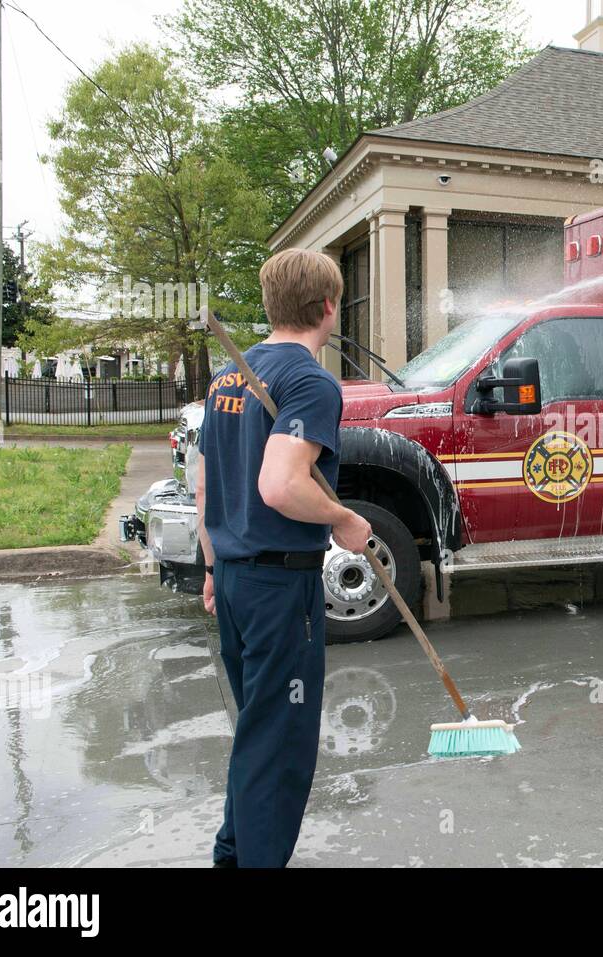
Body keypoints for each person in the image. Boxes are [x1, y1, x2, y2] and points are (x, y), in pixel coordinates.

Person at [195, 248, 372, 866]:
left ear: (271, 304)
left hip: (239, 582)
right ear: (329, 307)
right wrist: (345, 518)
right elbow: (280, 485)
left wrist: (215, 565)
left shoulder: (228, 377)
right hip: (278, 590)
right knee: (281, 745)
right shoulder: (310, 381)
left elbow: (206, 477)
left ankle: (233, 854)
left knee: (259, 731)